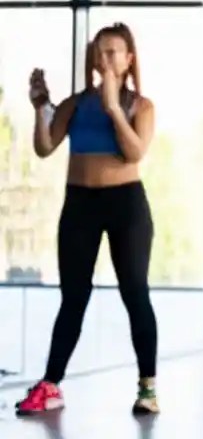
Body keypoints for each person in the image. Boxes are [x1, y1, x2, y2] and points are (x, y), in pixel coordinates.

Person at [17, 23, 161, 417]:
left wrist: (114, 107)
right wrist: (40, 106)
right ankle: (51, 385)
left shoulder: (140, 106)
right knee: (73, 298)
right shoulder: (76, 104)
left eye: (115, 52)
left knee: (135, 293)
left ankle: (147, 388)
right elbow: (45, 146)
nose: (107, 58)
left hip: (126, 205)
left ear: (129, 60)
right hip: (80, 203)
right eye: (102, 51)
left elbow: (134, 153)